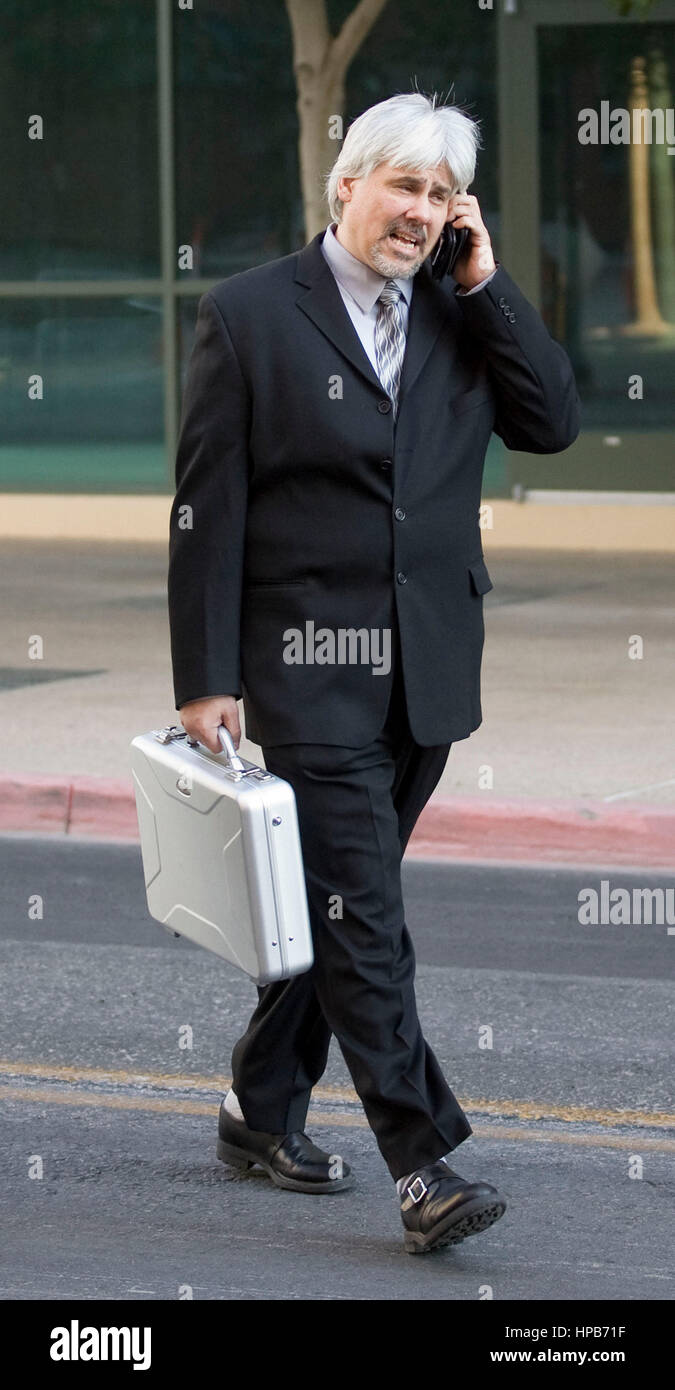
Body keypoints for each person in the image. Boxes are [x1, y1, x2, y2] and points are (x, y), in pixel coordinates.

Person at [167, 91, 580, 1255]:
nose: (420, 211)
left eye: (442, 194)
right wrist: (206, 674)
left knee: (335, 905)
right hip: (304, 669)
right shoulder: (250, 316)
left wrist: (486, 284)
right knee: (369, 917)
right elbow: (208, 508)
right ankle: (423, 1162)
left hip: (429, 668)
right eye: (403, 185)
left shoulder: (463, 314)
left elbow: (552, 423)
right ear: (344, 185)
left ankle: (258, 1105)